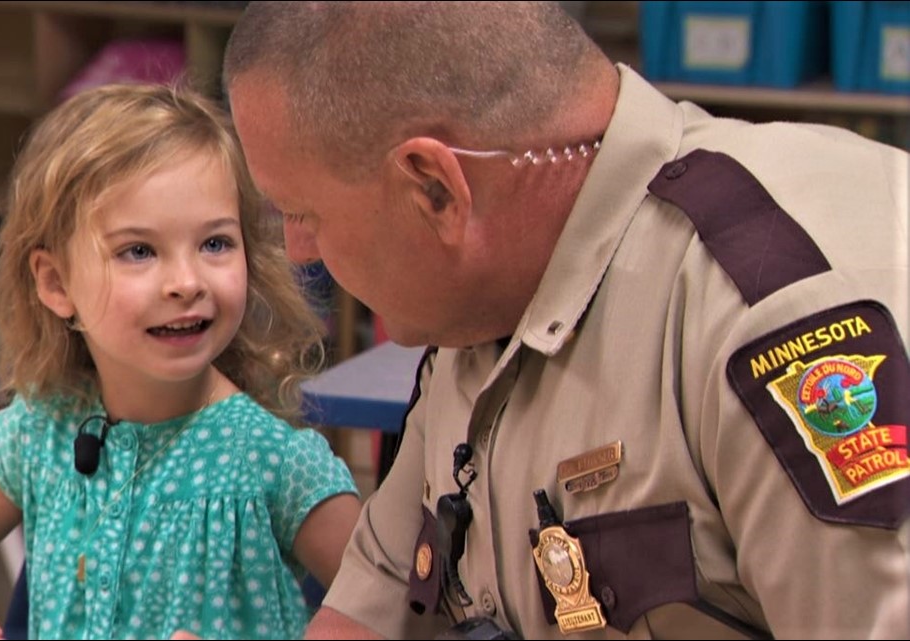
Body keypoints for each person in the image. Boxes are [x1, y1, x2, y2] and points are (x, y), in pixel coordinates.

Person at [220, 2, 910, 638]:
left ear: (434, 189)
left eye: (302, 212)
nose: (297, 246)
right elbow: (370, 604)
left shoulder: (772, 316)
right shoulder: (481, 305)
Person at [0, 82, 362, 640]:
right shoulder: (34, 437)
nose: (186, 282)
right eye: (139, 251)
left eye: (215, 244)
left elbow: (388, 617)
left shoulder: (277, 464)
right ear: (56, 283)